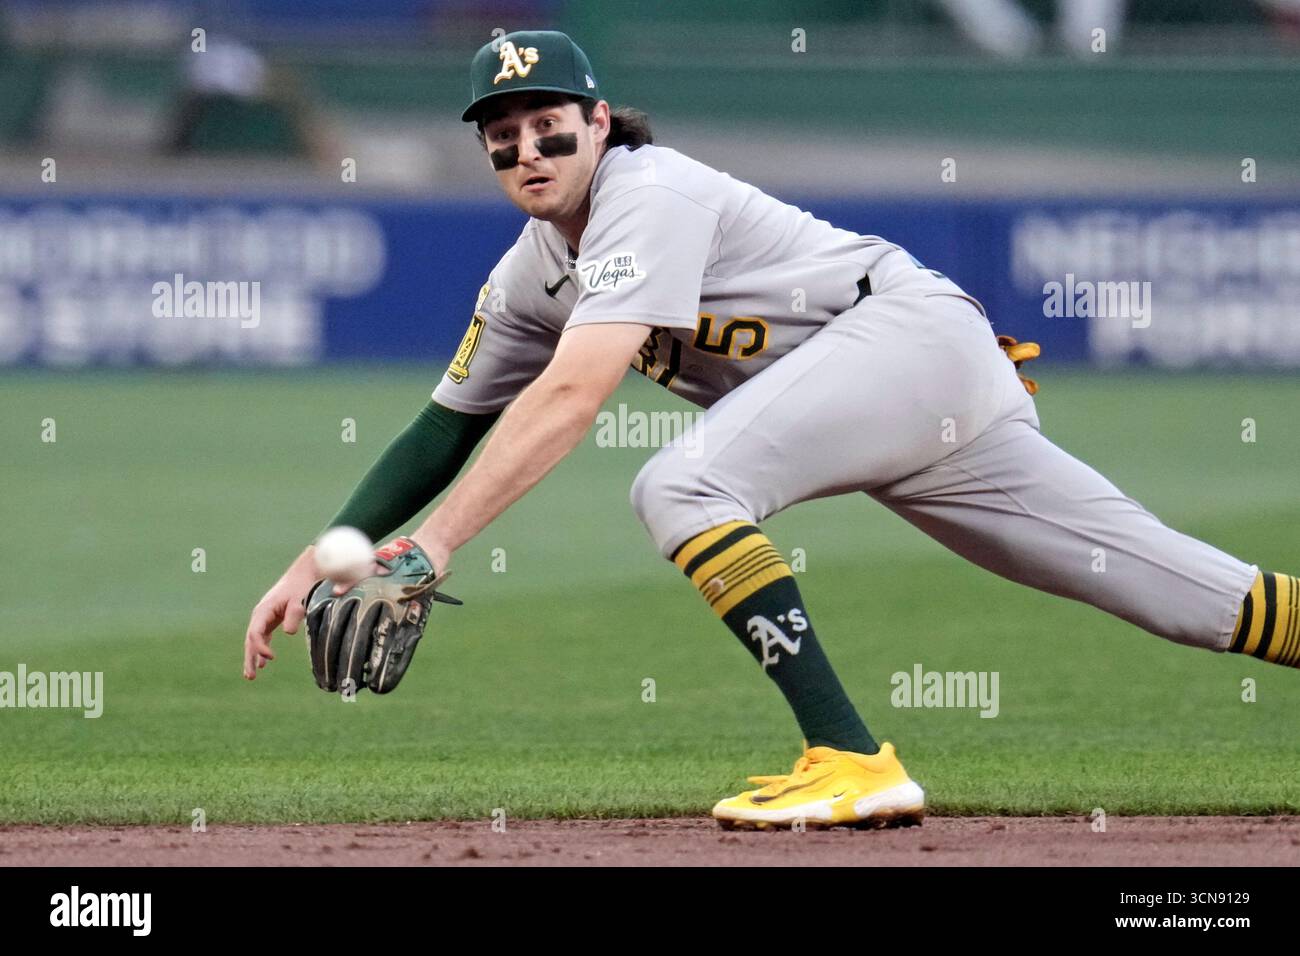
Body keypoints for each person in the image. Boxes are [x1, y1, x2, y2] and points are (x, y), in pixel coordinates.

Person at [243, 30, 1298, 830]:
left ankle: (850, 759)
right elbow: (445, 425)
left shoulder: (646, 191)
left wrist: (436, 544)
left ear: (600, 122)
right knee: (1186, 597)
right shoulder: (527, 276)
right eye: (502, 132)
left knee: (679, 485)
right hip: (892, 387)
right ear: (485, 150)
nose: (528, 144)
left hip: (906, 341)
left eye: (548, 118)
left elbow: (570, 397)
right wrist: (309, 558)